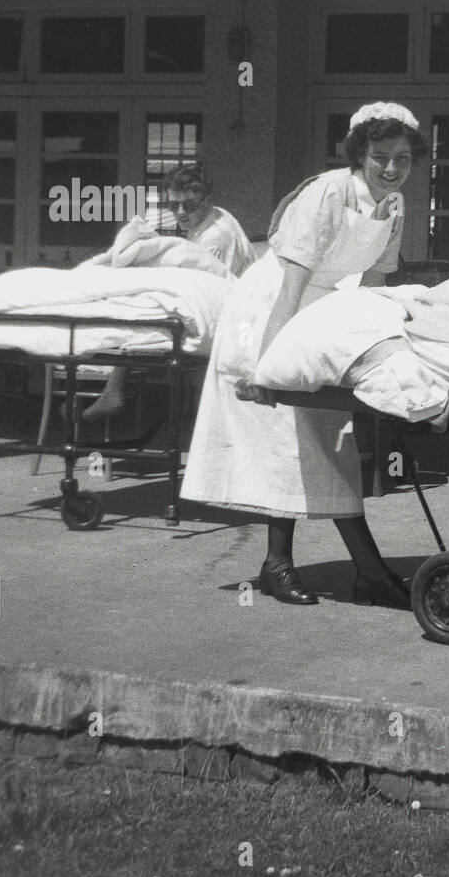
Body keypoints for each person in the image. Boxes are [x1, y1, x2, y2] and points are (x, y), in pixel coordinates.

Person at [181, 102, 428, 608]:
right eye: (380, 157)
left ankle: (352, 571)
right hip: (269, 314)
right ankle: (308, 567)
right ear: (359, 155)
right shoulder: (327, 193)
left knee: (321, 441)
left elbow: (375, 287)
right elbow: (289, 288)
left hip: (324, 316)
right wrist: (266, 367)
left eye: (402, 158)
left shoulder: (395, 206)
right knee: (286, 441)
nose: (391, 169)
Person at [82, 162, 256, 419]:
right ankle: (114, 385)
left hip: (232, 316)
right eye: (174, 206)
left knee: (141, 311)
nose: (181, 213)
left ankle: (113, 389)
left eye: (189, 205)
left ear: (206, 200)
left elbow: (206, 286)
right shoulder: (210, 219)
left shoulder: (215, 235)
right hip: (221, 307)